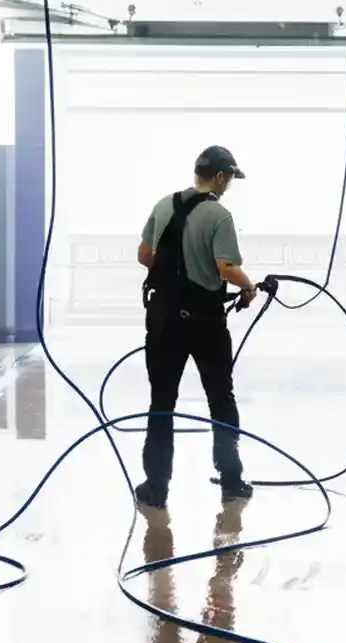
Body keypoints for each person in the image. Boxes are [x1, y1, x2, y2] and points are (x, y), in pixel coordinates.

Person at [134, 146, 257, 509]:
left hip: (164, 320)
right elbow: (226, 268)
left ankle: (155, 487)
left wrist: (173, 273)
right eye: (231, 177)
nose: (230, 184)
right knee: (221, 399)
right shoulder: (219, 215)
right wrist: (248, 288)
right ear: (220, 176)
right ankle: (231, 481)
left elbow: (144, 255)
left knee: (161, 402)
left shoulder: (163, 205)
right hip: (205, 323)